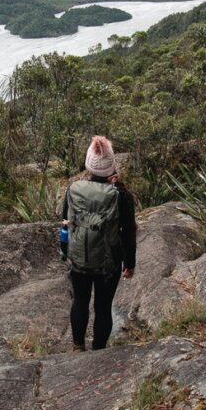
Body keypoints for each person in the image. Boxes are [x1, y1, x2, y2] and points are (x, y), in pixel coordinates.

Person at [61, 135, 136, 350]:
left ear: (89, 164)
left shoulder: (73, 189)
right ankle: (99, 351)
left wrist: (67, 252)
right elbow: (128, 232)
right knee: (103, 307)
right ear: (112, 165)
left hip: (78, 258)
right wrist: (129, 264)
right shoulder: (121, 194)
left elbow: (66, 221)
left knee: (80, 302)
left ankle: (77, 347)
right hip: (109, 262)